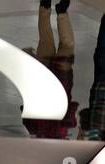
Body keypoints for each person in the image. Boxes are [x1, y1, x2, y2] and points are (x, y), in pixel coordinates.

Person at [24, 0, 78, 141]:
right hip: (43, 75)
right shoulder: (34, 129)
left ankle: (61, 12)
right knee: (45, 38)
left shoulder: (62, 130)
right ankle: (45, 7)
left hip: (62, 77)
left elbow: (71, 109)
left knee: (67, 45)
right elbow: (25, 109)